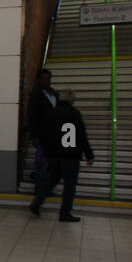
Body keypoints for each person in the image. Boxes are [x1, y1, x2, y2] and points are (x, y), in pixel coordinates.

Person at [30, 89, 95, 222]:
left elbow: (43, 134)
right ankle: (65, 213)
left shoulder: (50, 113)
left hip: (53, 155)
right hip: (70, 155)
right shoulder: (74, 114)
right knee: (70, 184)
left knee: (52, 180)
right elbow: (81, 136)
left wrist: (47, 152)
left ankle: (36, 203)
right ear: (71, 100)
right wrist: (89, 154)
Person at [26, 68, 58, 210]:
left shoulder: (54, 94)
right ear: (39, 80)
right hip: (41, 136)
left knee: (51, 164)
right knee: (41, 163)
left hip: (54, 136)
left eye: (48, 78)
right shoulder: (36, 95)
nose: (46, 80)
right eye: (44, 78)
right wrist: (34, 136)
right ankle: (39, 188)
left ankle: (46, 187)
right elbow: (32, 116)